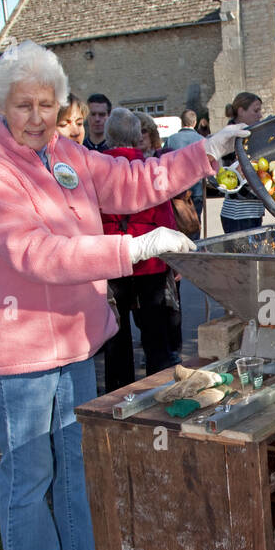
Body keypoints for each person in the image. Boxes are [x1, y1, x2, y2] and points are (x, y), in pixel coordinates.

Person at [0, 41, 247, 550]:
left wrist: (204, 154)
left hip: (73, 338)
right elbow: (36, 253)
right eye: (23, 105)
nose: (37, 116)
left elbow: (134, 181)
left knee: (74, 455)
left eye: (46, 104)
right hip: (21, 348)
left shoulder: (65, 153)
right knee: (29, 468)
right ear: (0, 107)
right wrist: (134, 247)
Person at [100, 109, 182, 389]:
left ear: (108, 136)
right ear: (138, 136)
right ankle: (159, 389)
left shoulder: (95, 170)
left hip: (112, 257)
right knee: (155, 334)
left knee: (116, 335)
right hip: (151, 261)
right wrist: (174, 262)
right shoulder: (149, 170)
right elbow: (165, 219)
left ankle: (119, 394)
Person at [220, 93, 266, 234]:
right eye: (255, 111)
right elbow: (231, 173)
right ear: (241, 111)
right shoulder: (230, 137)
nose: (260, 116)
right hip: (239, 213)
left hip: (250, 211)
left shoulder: (246, 134)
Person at [164, 109, 205, 221]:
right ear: (195, 122)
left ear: (182, 122)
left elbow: (163, 162)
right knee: (195, 223)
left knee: (179, 223)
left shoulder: (171, 139)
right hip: (196, 189)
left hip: (177, 188)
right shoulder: (202, 140)